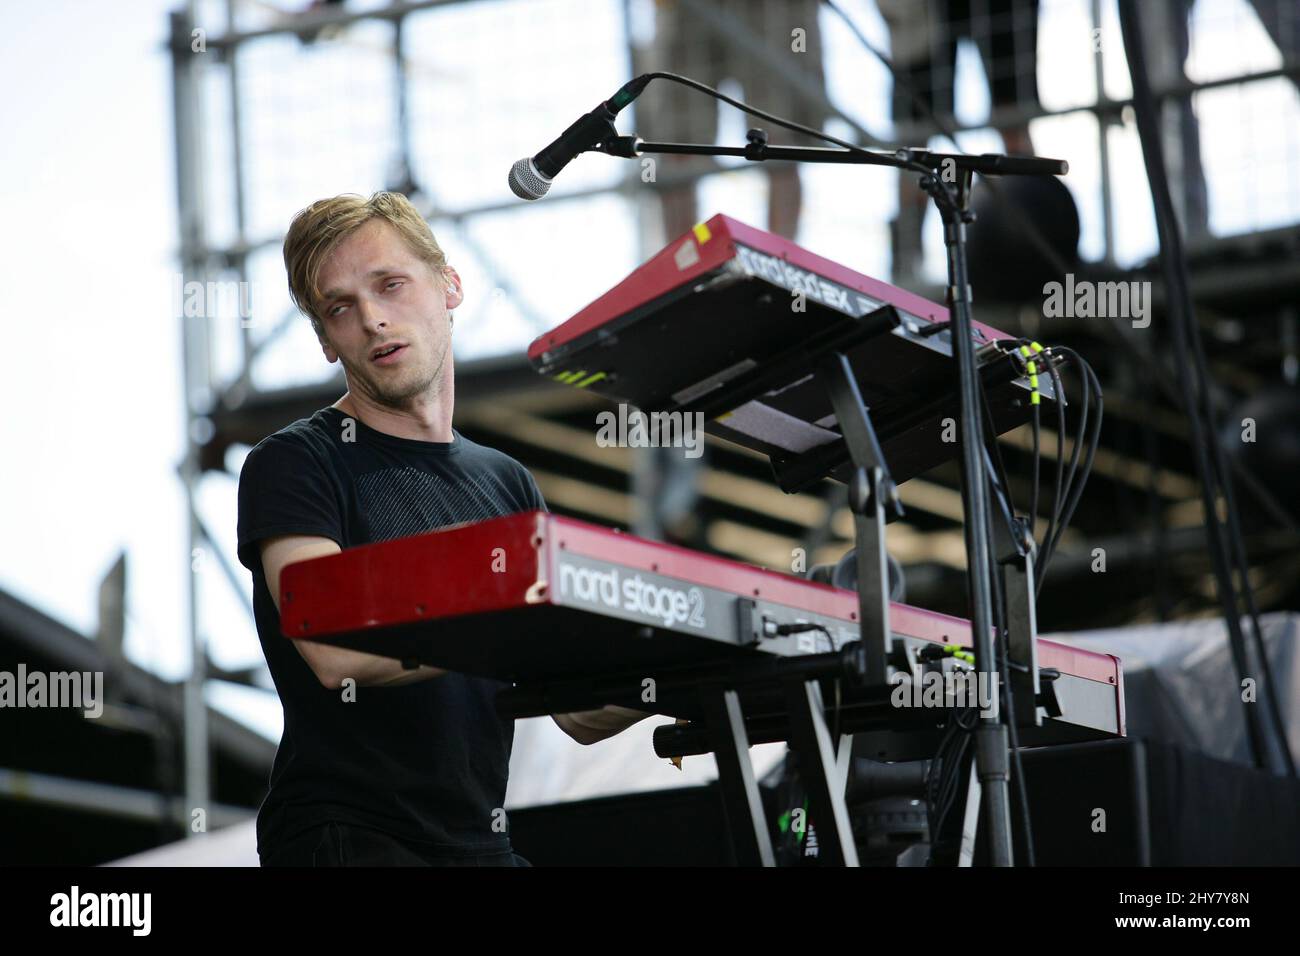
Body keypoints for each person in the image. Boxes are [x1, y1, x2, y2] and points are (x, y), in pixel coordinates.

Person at [237, 191, 648, 866]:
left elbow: (576, 713)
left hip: (480, 845)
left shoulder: (507, 483)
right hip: (349, 838)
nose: (372, 318)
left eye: (389, 285)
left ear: (450, 284)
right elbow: (331, 648)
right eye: (340, 307)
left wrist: (690, 668)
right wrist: (520, 615)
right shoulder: (295, 461)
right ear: (324, 339)